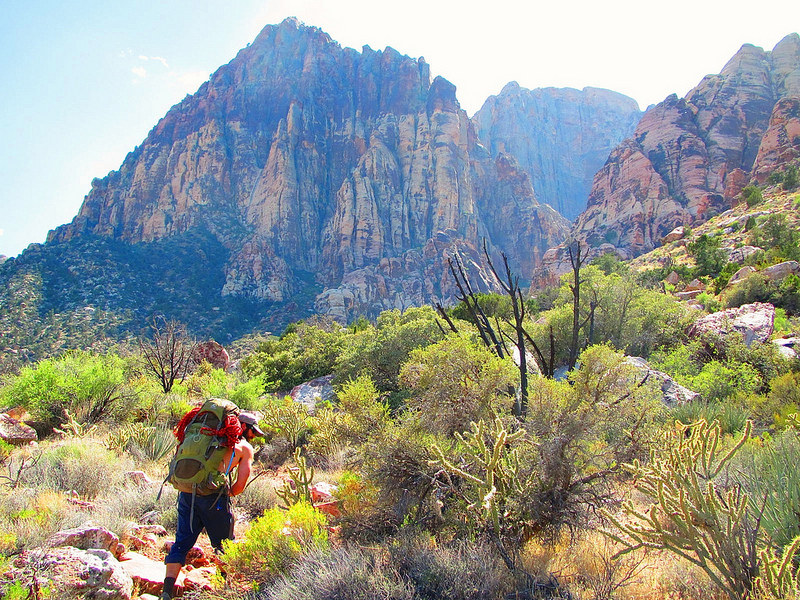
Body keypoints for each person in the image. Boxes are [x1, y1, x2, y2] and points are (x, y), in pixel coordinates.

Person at [161, 411, 263, 600]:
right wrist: (224, 493)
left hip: (187, 494)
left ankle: (166, 592)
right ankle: (224, 590)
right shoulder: (244, 448)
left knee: (181, 544)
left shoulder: (203, 437)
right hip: (213, 499)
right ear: (241, 426)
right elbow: (239, 486)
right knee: (224, 545)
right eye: (252, 431)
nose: (253, 436)